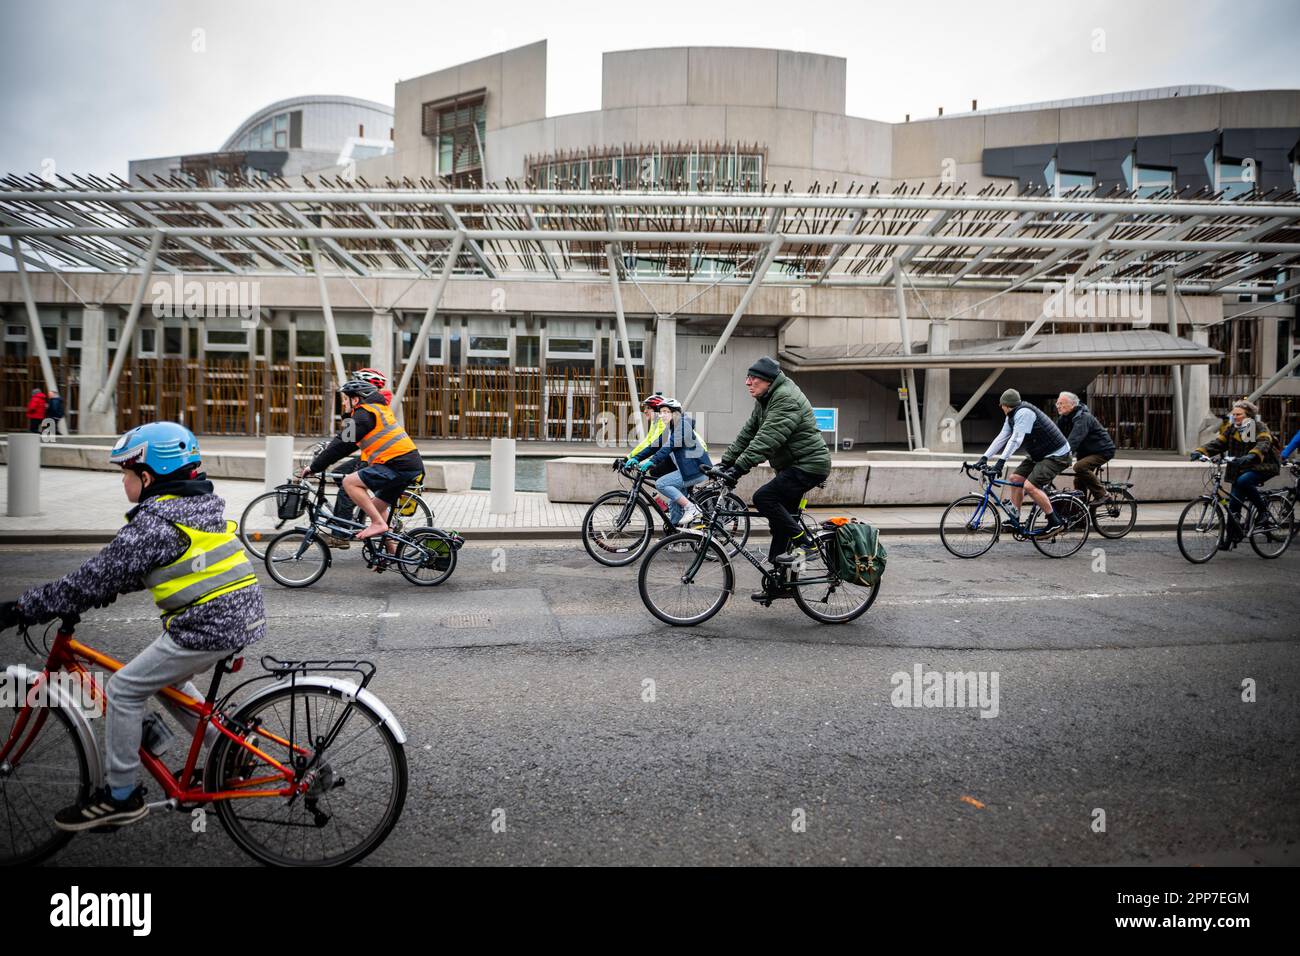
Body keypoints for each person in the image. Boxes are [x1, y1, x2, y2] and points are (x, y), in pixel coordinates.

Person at [0, 422, 266, 830]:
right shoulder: (195, 505)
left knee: (124, 689)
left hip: (209, 625)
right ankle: (227, 747)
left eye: (125, 474)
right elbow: (127, 573)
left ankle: (120, 796)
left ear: (147, 477)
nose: (123, 482)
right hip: (234, 614)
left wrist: (23, 608)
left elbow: (92, 578)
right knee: (167, 680)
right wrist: (105, 589)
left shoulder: (155, 523)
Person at [714, 357, 831, 599]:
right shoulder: (765, 399)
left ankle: (807, 544)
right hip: (792, 466)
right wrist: (726, 463)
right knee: (781, 526)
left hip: (808, 465)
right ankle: (782, 585)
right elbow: (748, 433)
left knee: (764, 498)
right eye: (747, 377)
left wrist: (738, 469)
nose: (747, 382)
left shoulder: (785, 398)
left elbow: (768, 439)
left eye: (753, 378)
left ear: (768, 380)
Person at [301, 379, 423, 546]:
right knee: (375, 509)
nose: (343, 402)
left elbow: (343, 444)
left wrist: (314, 467)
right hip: (405, 464)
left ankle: (378, 525)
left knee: (349, 482)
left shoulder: (364, 414)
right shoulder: (373, 410)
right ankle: (390, 554)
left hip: (398, 464)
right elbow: (343, 439)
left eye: (345, 399)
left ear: (356, 400)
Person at [978, 389, 1072, 535]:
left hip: (1057, 455)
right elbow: (1002, 437)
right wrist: (984, 458)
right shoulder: (1012, 415)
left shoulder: (1024, 413)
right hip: (1040, 454)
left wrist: (1001, 462)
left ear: (1005, 405)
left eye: (1001, 405)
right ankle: (1015, 518)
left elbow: (1016, 439)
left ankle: (1054, 521)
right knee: (1015, 479)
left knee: (1029, 486)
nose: (1001, 407)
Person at [322, 368, 396, 548]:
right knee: (339, 474)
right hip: (369, 455)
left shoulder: (373, 405)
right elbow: (348, 435)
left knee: (347, 487)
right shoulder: (364, 404)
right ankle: (361, 505)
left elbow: (348, 438)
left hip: (374, 458)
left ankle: (340, 535)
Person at [1193, 398, 1281, 547]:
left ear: (1248, 415)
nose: (1234, 417)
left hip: (1262, 465)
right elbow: (1219, 443)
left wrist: (1252, 455)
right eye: (1233, 414)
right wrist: (1200, 451)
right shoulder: (1232, 429)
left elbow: (1263, 444)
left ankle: (1263, 512)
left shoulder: (1258, 426)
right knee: (1233, 505)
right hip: (1239, 468)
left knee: (1244, 481)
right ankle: (1230, 539)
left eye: (1238, 414)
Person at [627, 398, 713, 527]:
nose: (662, 415)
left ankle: (692, 509)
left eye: (666, 412)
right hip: (686, 470)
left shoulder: (683, 424)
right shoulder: (671, 428)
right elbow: (654, 446)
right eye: (661, 412)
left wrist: (652, 461)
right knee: (675, 503)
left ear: (675, 413)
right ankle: (674, 537)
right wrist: (634, 458)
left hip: (696, 470)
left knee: (662, 483)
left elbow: (670, 446)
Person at [1054, 391, 1115, 502]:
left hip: (1101, 451)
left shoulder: (1083, 418)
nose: (1058, 406)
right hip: (1085, 452)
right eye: (1057, 404)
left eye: (1061, 403)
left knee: (1080, 467)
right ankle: (1081, 512)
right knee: (1078, 480)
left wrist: (1062, 456)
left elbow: (1074, 440)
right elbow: (1054, 436)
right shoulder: (1064, 419)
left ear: (1072, 404)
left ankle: (1103, 494)